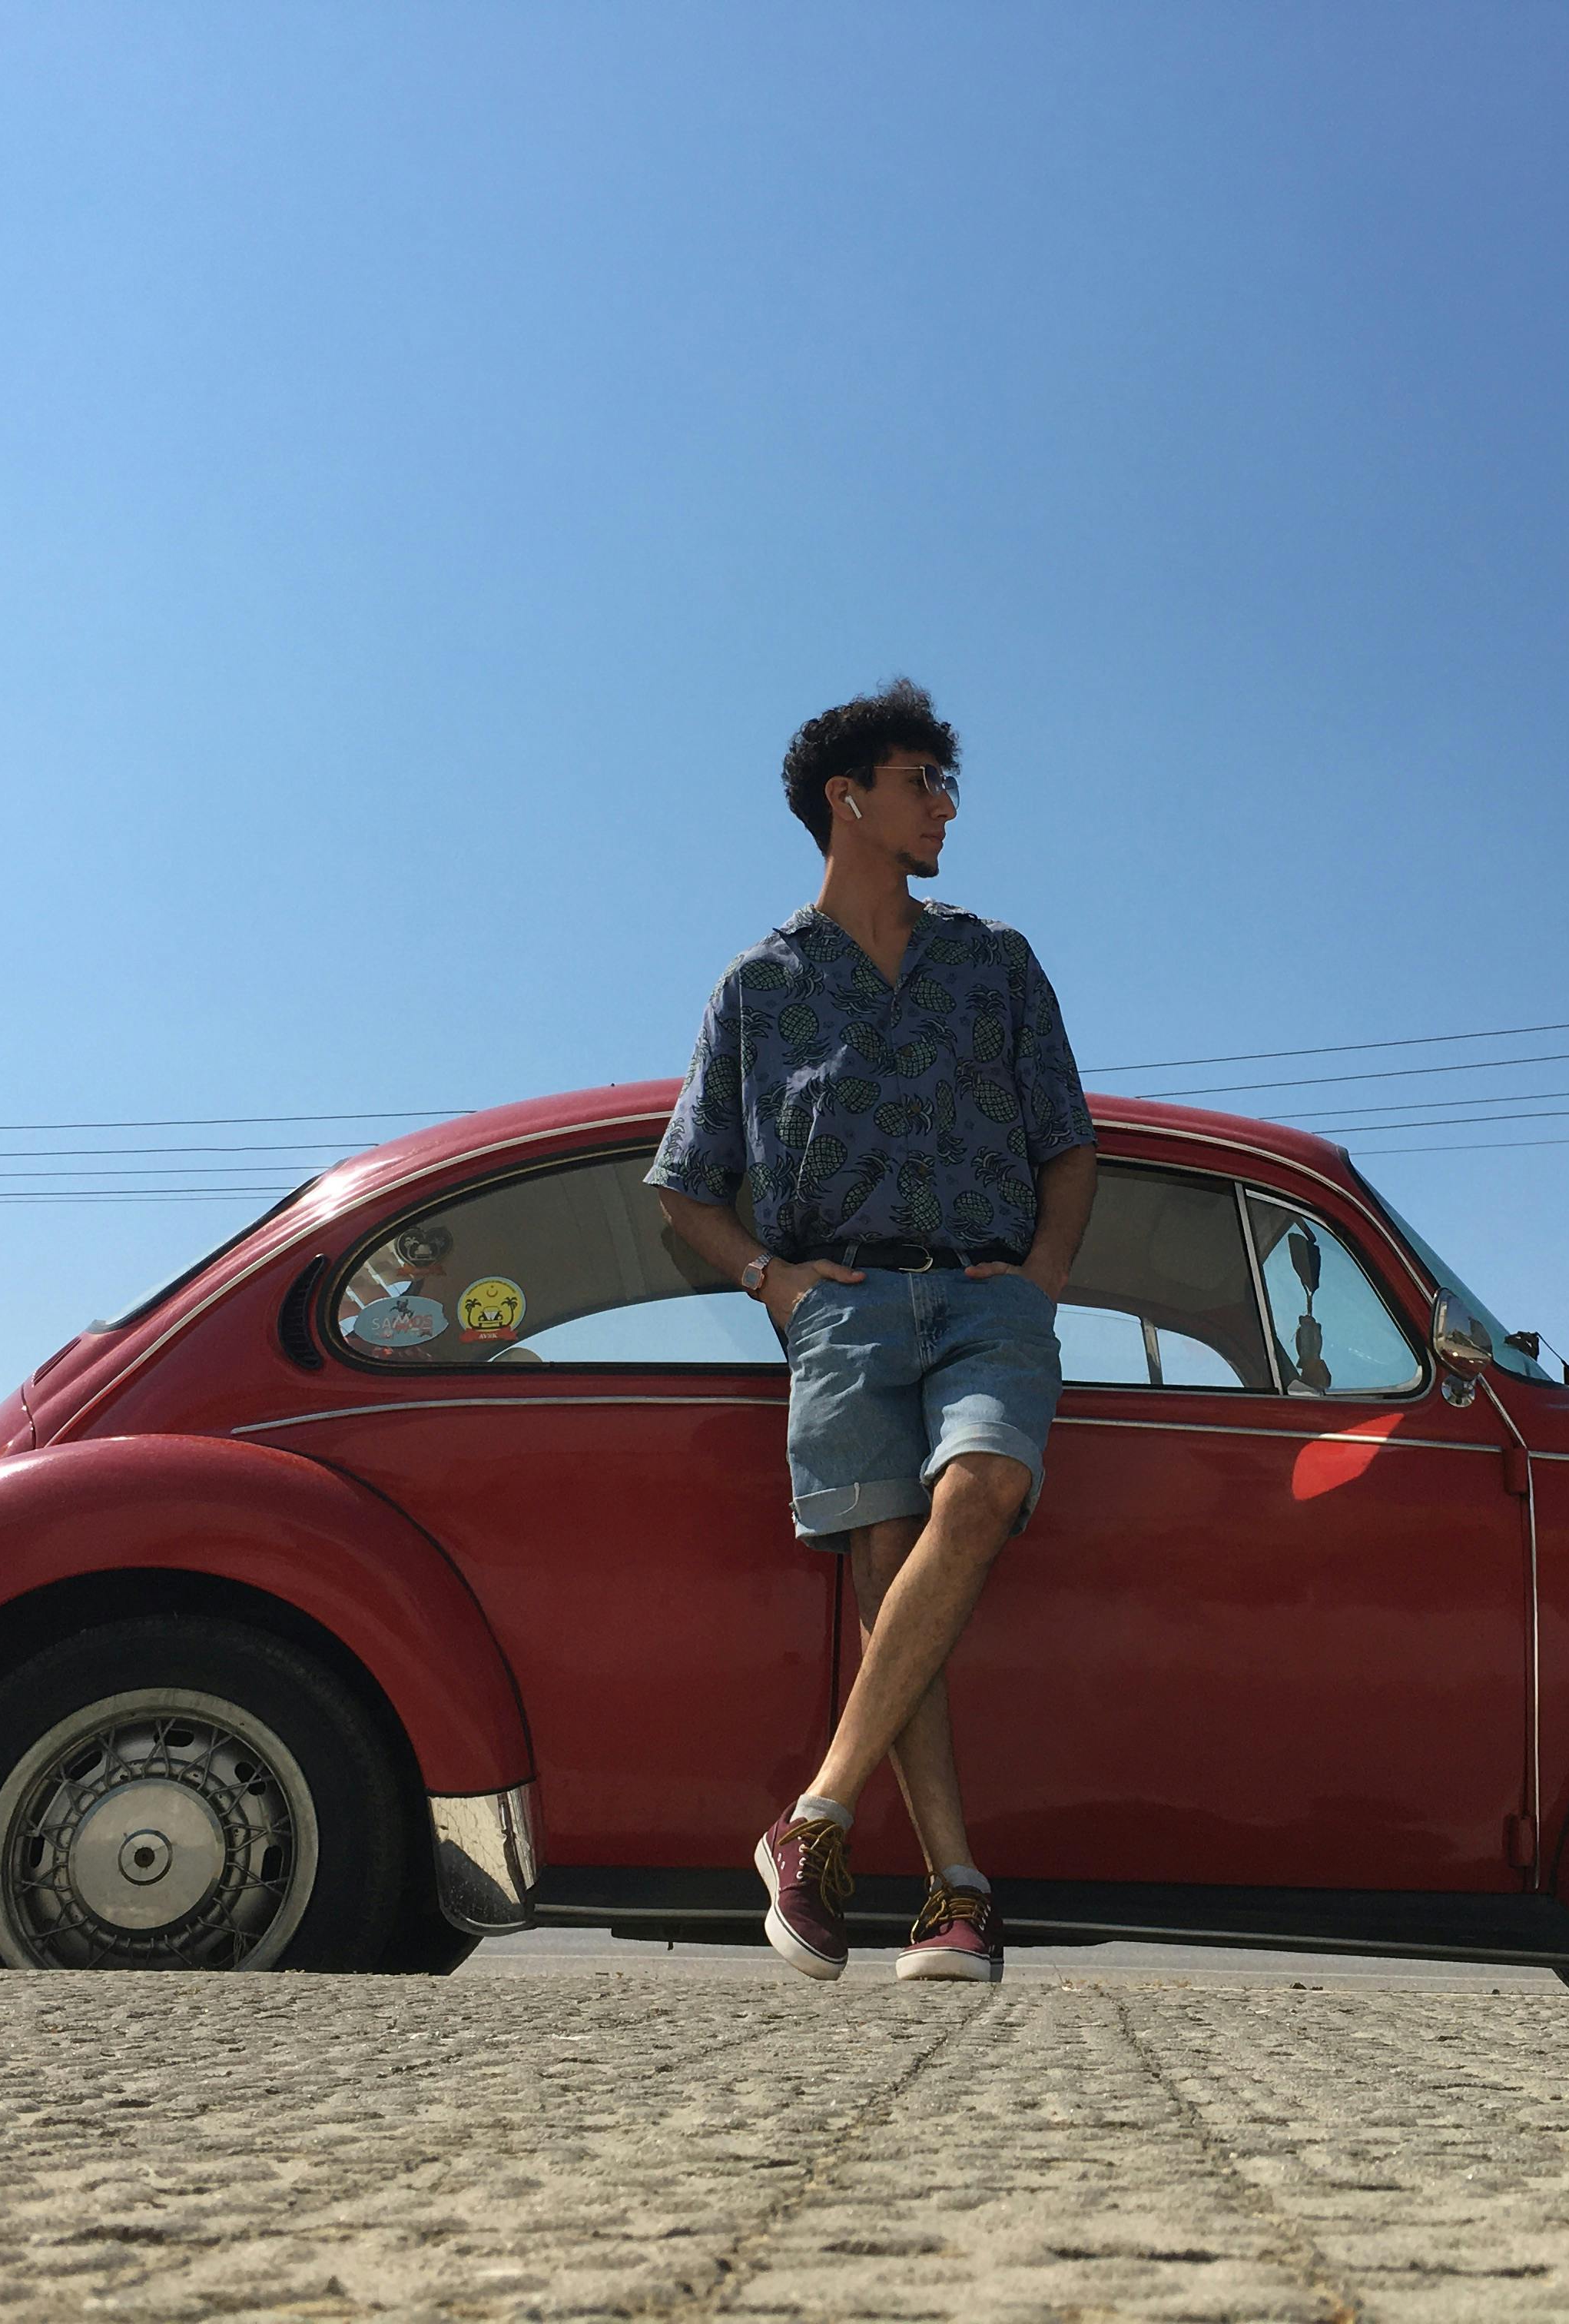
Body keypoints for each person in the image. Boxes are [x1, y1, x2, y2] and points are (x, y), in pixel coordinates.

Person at [648, 679, 1097, 1985]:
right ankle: (958, 1896)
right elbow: (683, 1181)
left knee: (984, 1490)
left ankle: (816, 1820)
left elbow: (1069, 1148)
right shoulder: (760, 989)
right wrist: (770, 1282)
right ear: (849, 801)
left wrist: (1038, 1285)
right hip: (840, 1316)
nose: (945, 805)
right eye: (921, 781)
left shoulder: (995, 962)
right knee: (897, 1584)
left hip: (984, 1298)